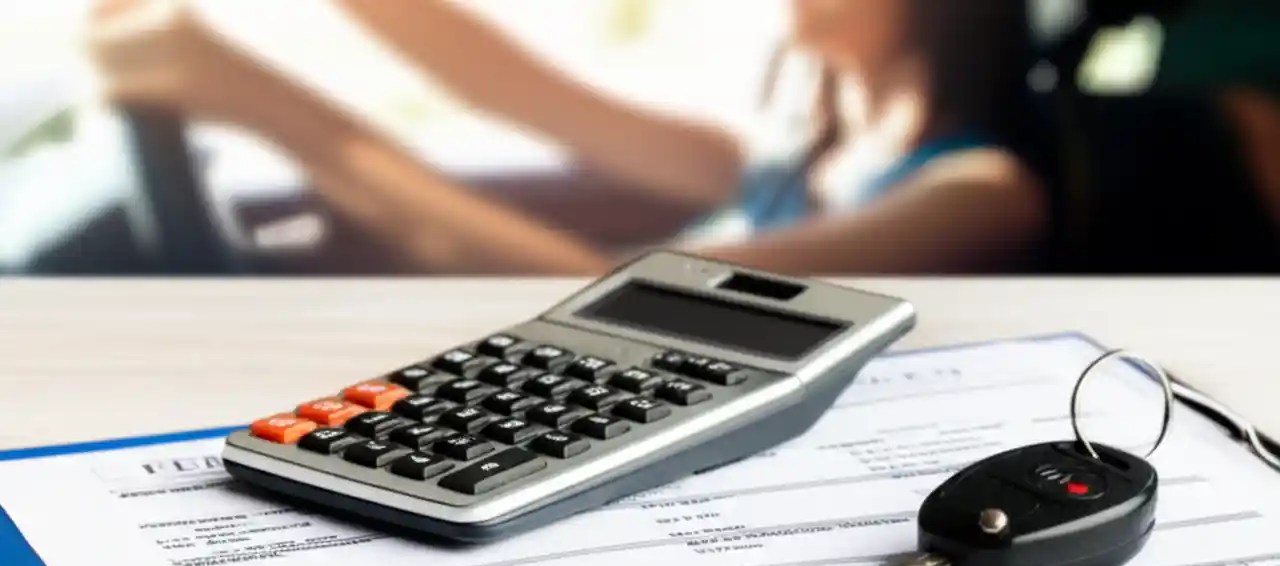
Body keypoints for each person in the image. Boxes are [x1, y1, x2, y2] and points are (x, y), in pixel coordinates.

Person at [89, 0, 1048, 274]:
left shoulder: (977, 195)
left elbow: (600, 297)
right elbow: (508, 84)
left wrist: (267, 105)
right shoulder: (776, 159)